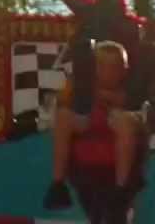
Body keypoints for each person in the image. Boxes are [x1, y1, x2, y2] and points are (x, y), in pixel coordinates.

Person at [44, 40, 143, 210]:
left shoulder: (130, 87)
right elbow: (62, 102)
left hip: (117, 124)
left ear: (124, 70)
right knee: (63, 116)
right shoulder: (80, 84)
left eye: (115, 67)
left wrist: (106, 97)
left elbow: (132, 103)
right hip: (89, 121)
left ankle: (121, 188)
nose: (108, 72)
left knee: (124, 122)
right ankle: (57, 183)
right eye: (102, 66)